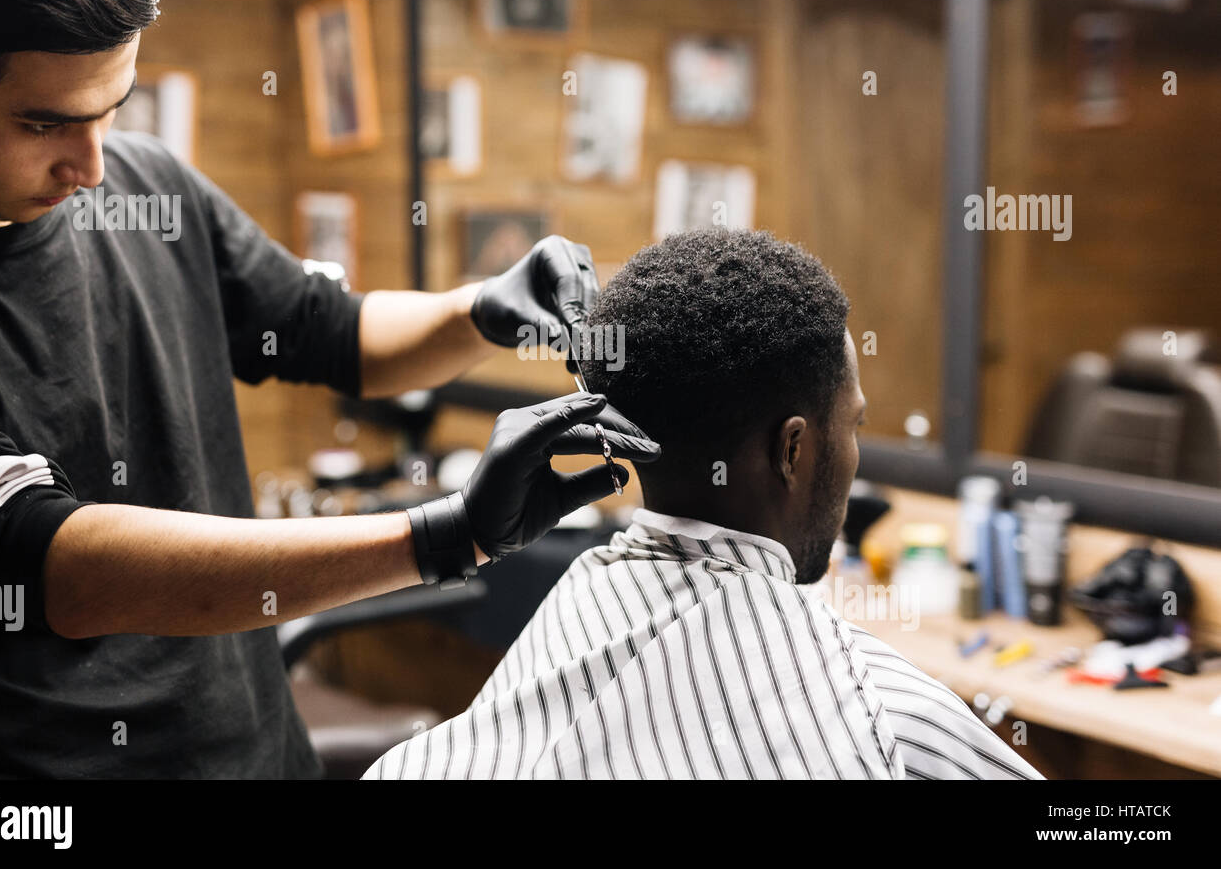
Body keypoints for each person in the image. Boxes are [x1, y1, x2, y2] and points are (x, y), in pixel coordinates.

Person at [0, 0, 659, 778]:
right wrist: (440, 537)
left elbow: (327, 334)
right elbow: (59, 567)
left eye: (112, 110)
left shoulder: (148, 187)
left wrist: (481, 312)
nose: (92, 167)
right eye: (44, 125)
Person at [366, 229, 1044, 779]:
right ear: (793, 451)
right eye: (855, 425)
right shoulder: (879, 715)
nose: (857, 449)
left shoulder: (579, 600)